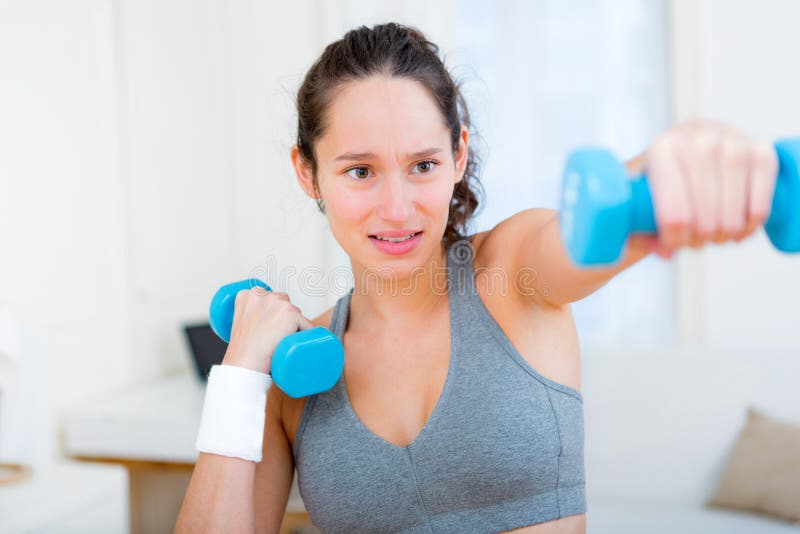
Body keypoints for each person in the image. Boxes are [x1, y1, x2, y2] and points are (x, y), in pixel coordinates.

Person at [176, 22, 778, 534]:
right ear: (308, 174)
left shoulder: (514, 271)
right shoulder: (295, 375)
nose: (397, 207)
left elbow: (584, 232)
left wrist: (682, 163)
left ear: (458, 156)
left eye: (423, 165)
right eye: (360, 171)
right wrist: (240, 373)